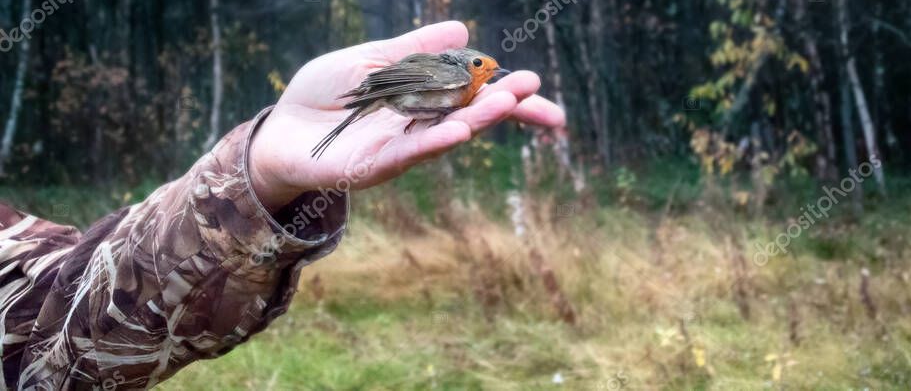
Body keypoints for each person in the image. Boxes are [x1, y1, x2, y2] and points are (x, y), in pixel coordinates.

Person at [0, 22, 564, 389]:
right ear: (467, 67)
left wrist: (260, 171)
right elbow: (407, 83)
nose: (487, 71)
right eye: (482, 66)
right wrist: (382, 96)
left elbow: (53, 320)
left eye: (486, 68)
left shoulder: (459, 77)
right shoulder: (450, 72)